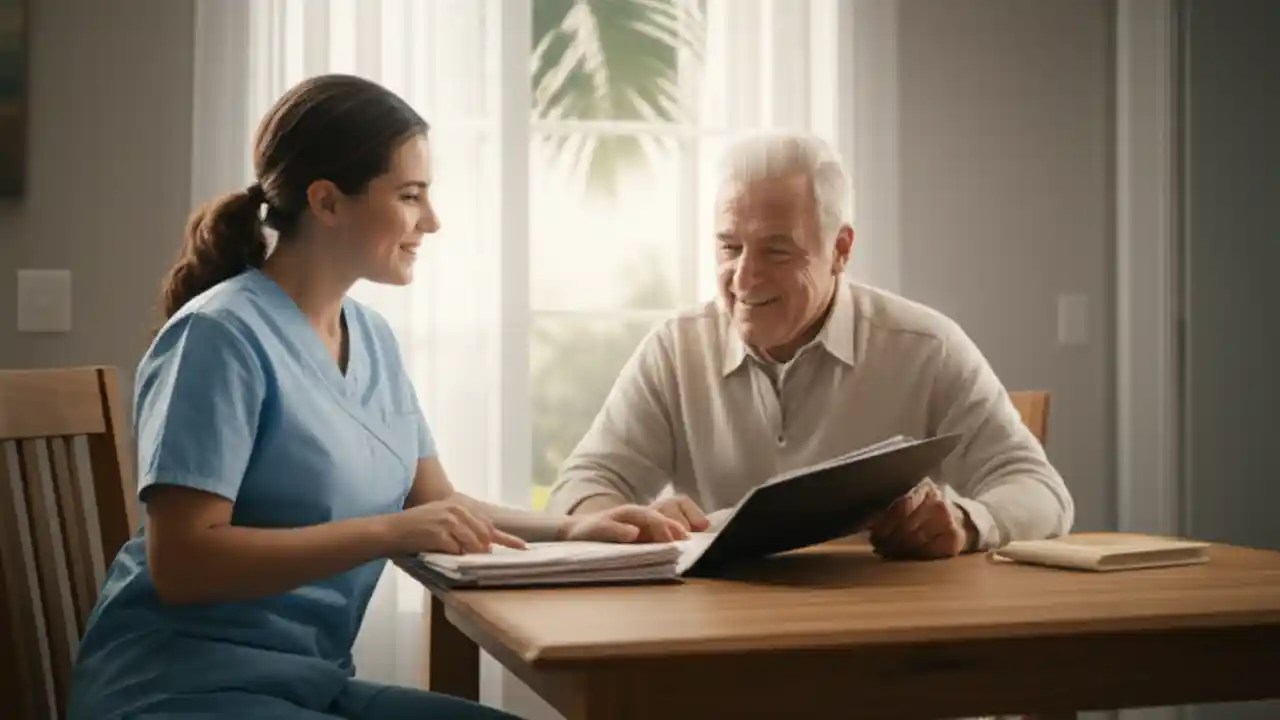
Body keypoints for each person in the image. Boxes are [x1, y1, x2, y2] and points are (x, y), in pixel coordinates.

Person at [67, 74, 686, 720]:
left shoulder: (372, 339)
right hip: (177, 692)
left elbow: (438, 506)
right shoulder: (218, 337)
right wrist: (385, 532)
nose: (433, 221)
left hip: (309, 687)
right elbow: (183, 563)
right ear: (328, 203)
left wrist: (574, 527)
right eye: (411, 195)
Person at [547, 131, 1074, 559]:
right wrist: (620, 518)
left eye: (777, 251)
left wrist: (966, 520)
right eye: (729, 247)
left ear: (840, 249)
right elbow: (583, 485)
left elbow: (1039, 489)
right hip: (712, 641)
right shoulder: (674, 349)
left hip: (890, 643)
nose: (744, 278)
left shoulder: (927, 347)